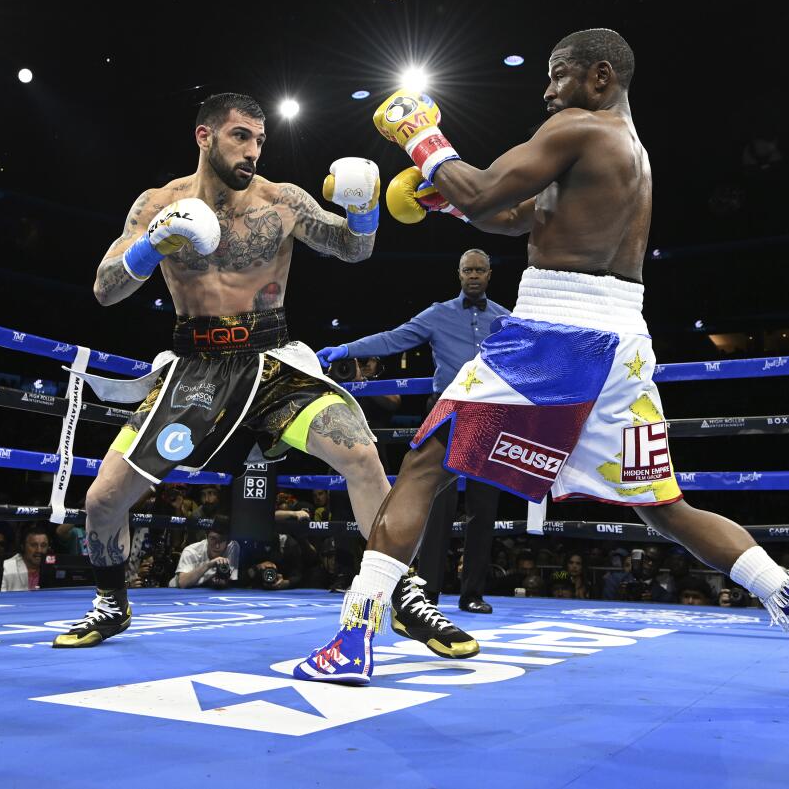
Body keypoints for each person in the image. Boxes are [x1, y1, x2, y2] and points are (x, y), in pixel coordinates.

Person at [297, 29, 789, 696]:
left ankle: (354, 634)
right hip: (622, 338)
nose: (547, 90)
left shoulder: (579, 126)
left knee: (425, 460)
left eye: (558, 74)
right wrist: (444, 198)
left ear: (600, 77)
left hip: (558, 333)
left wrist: (422, 137)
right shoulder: (628, 151)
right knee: (663, 506)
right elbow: (516, 216)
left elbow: (485, 191)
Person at [53, 92, 469, 653]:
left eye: (259, 139)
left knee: (362, 455)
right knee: (103, 501)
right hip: (196, 369)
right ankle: (110, 602)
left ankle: (403, 594)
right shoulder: (157, 203)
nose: (253, 150)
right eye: (240, 136)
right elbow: (106, 290)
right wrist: (152, 246)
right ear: (204, 136)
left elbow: (354, 250)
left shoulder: (283, 201)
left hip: (274, 362)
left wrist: (365, 210)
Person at [318, 249, 510, 614]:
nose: (473, 276)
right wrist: (346, 348)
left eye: (479, 270)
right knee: (437, 502)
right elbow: (394, 339)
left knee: (484, 506)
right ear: (459, 273)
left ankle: (472, 593)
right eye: (467, 269)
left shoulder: (505, 320)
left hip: (490, 412)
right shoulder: (439, 314)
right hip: (447, 408)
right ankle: (430, 592)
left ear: (488, 275)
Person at [173, 514, 238, 589]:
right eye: (213, 539)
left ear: (228, 541)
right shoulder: (191, 551)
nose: (217, 546)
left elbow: (229, 580)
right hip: (175, 591)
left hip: (205, 592)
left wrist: (221, 582)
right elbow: (183, 583)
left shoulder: (233, 546)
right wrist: (208, 565)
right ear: (206, 537)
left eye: (222, 540)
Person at [2, 527, 50, 592]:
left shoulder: (52, 568)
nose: (39, 550)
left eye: (43, 545)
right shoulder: (7, 567)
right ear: (23, 547)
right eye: (33, 545)